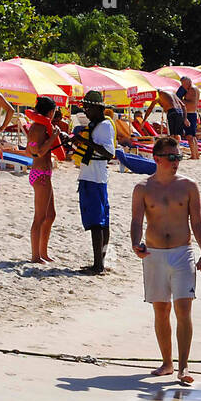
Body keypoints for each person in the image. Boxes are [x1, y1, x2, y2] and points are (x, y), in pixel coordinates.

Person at [130, 135, 201, 385]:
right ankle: (167, 362)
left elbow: (196, 222)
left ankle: (183, 366)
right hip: (154, 253)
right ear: (157, 159)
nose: (176, 162)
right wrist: (136, 243)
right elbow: (136, 221)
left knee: (183, 308)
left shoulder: (188, 186)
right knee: (161, 309)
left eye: (179, 157)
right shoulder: (143, 188)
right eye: (171, 157)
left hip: (181, 251)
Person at [73, 90, 116, 272]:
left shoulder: (105, 126)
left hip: (95, 179)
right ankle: (100, 262)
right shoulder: (95, 125)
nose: (85, 111)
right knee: (100, 221)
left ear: (98, 108)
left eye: (88, 108)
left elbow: (109, 153)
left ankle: (98, 265)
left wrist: (87, 143)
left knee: (97, 223)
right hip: (92, 177)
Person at [26, 96, 64, 263]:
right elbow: (37, 152)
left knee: (50, 215)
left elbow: (31, 150)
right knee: (40, 217)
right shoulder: (38, 128)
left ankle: (43, 252)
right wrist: (53, 136)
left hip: (42, 174)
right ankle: (35, 255)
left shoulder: (39, 127)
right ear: (51, 111)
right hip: (40, 175)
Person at [178, 76, 201, 160]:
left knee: (189, 136)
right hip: (193, 113)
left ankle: (193, 155)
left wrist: (179, 99)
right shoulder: (195, 89)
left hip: (189, 114)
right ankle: (196, 154)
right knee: (192, 136)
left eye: (183, 84)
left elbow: (190, 102)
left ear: (188, 82)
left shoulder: (191, 90)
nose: (183, 86)